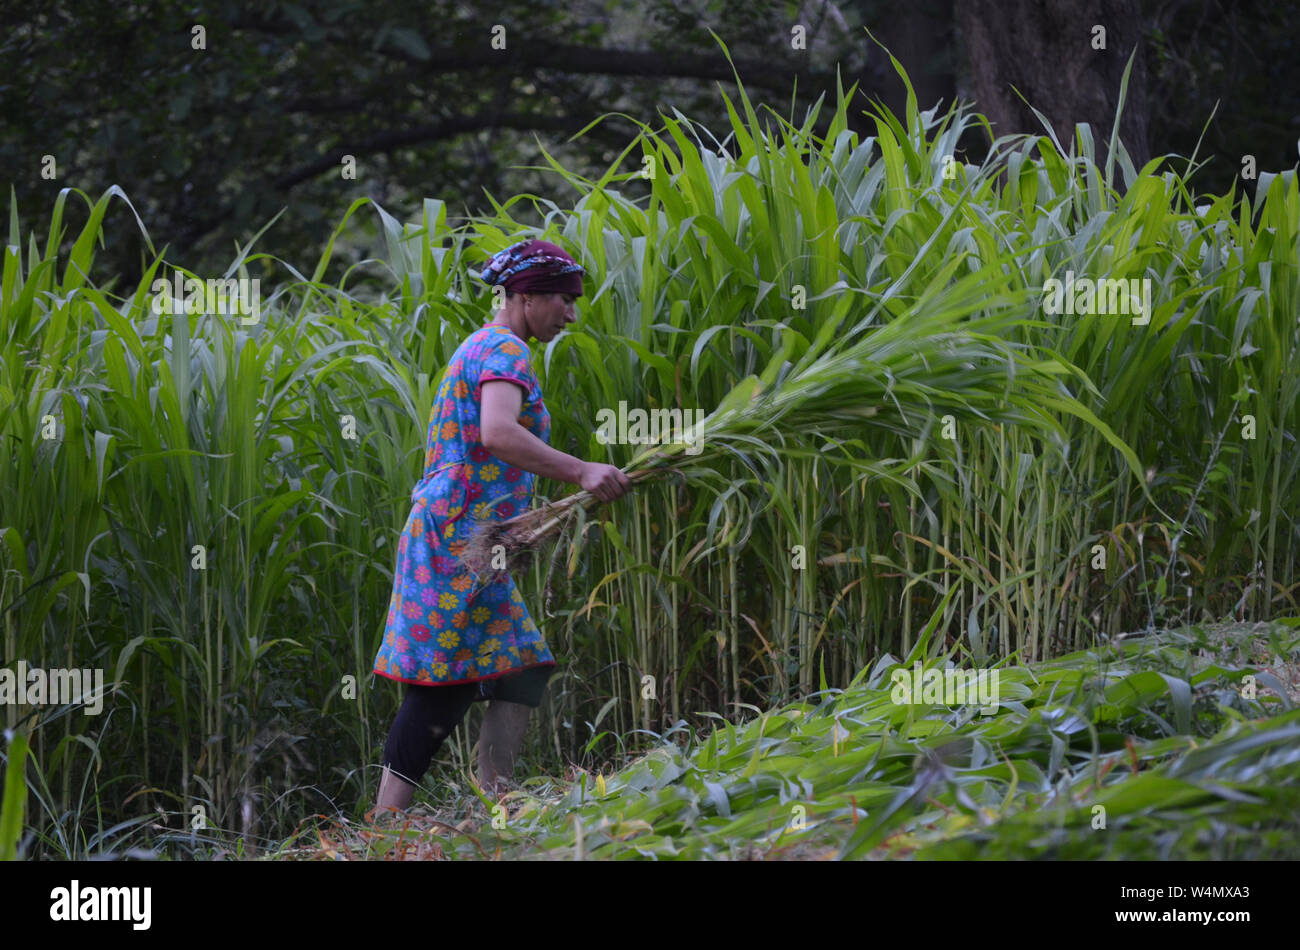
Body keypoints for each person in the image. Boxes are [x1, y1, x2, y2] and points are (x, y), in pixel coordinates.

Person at [371, 238, 631, 817]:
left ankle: (496, 803)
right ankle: (390, 825)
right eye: (563, 299)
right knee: (448, 682)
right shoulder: (506, 351)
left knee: (515, 668)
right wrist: (581, 470)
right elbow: (497, 433)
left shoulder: (485, 346)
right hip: (457, 538)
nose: (570, 312)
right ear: (526, 296)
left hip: (471, 538)